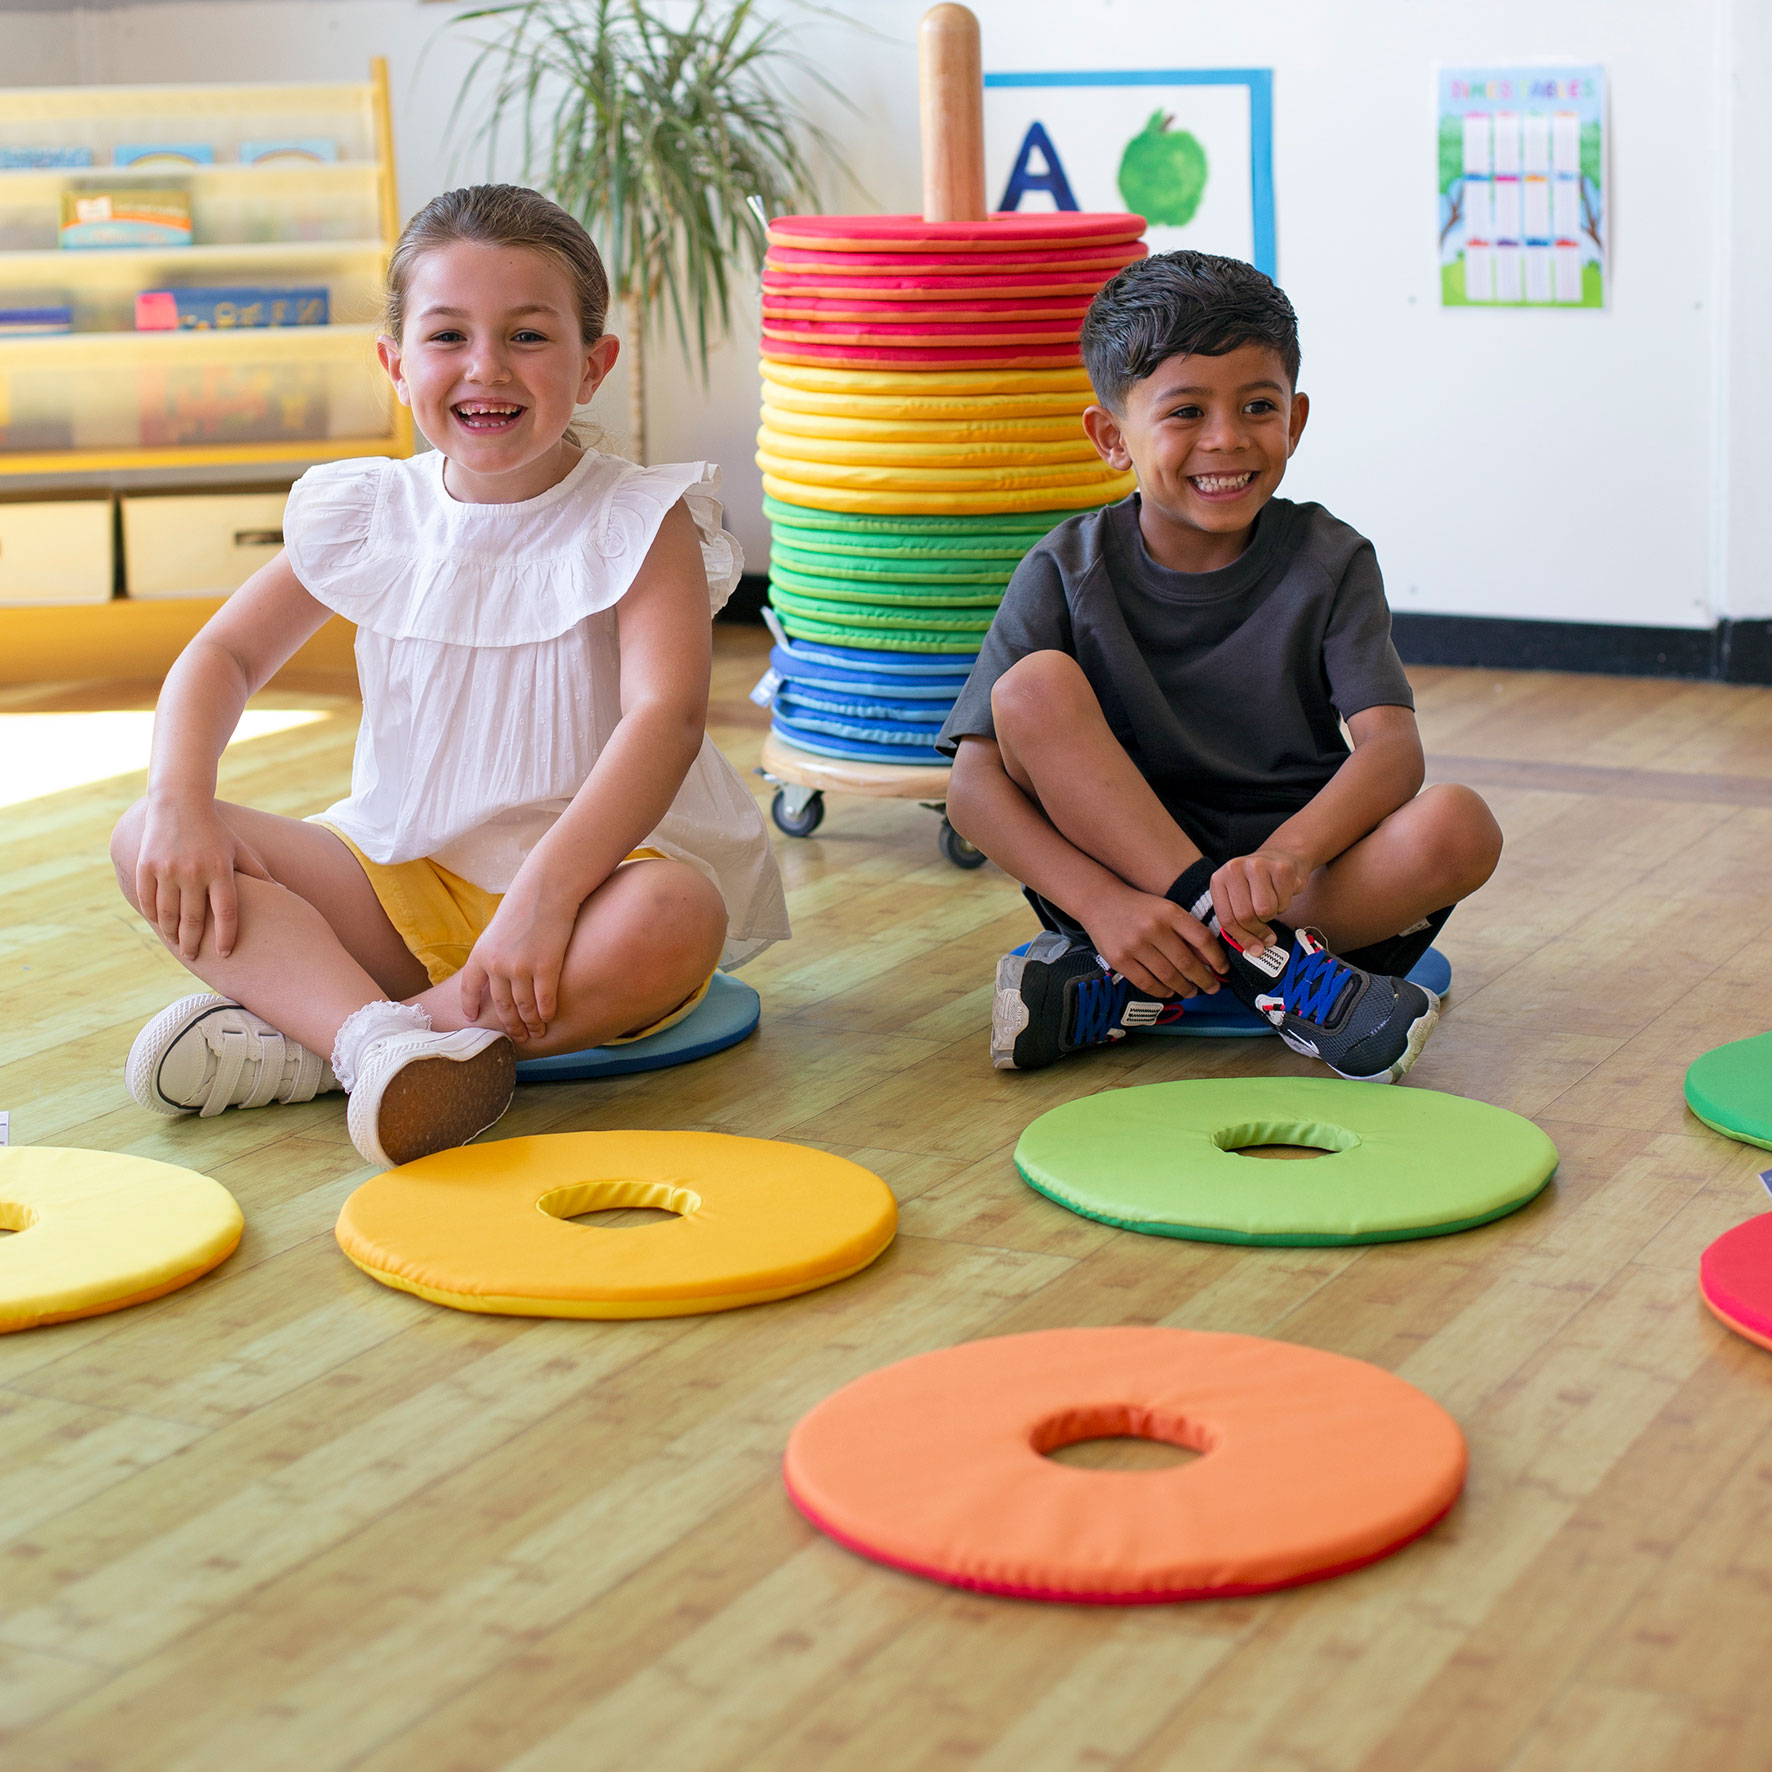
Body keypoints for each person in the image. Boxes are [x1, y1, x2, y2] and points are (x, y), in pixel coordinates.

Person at [112, 184, 788, 1167]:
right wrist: (178, 796)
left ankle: (328, 1041)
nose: (485, 368)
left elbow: (666, 717)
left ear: (592, 363)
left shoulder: (641, 519)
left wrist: (547, 898)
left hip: (589, 892)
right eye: (446, 337)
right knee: (148, 837)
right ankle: (380, 1041)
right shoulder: (366, 508)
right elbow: (223, 654)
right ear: (394, 363)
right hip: (395, 880)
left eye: (526, 335)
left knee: (677, 919)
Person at [941, 250, 1501, 1080]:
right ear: (1110, 436)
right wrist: (1102, 905)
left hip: (1297, 889)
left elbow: (1392, 751)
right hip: (1122, 892)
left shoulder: (1331, 558)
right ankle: (1277, 974)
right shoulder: (1062, 568)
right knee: (1033, 687)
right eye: (1186, 412)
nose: (1227, 439)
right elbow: (973, 790)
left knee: (1461, 823)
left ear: (1296, 421)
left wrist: (1288, 857)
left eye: (1258, 406)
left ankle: (1133, 990)